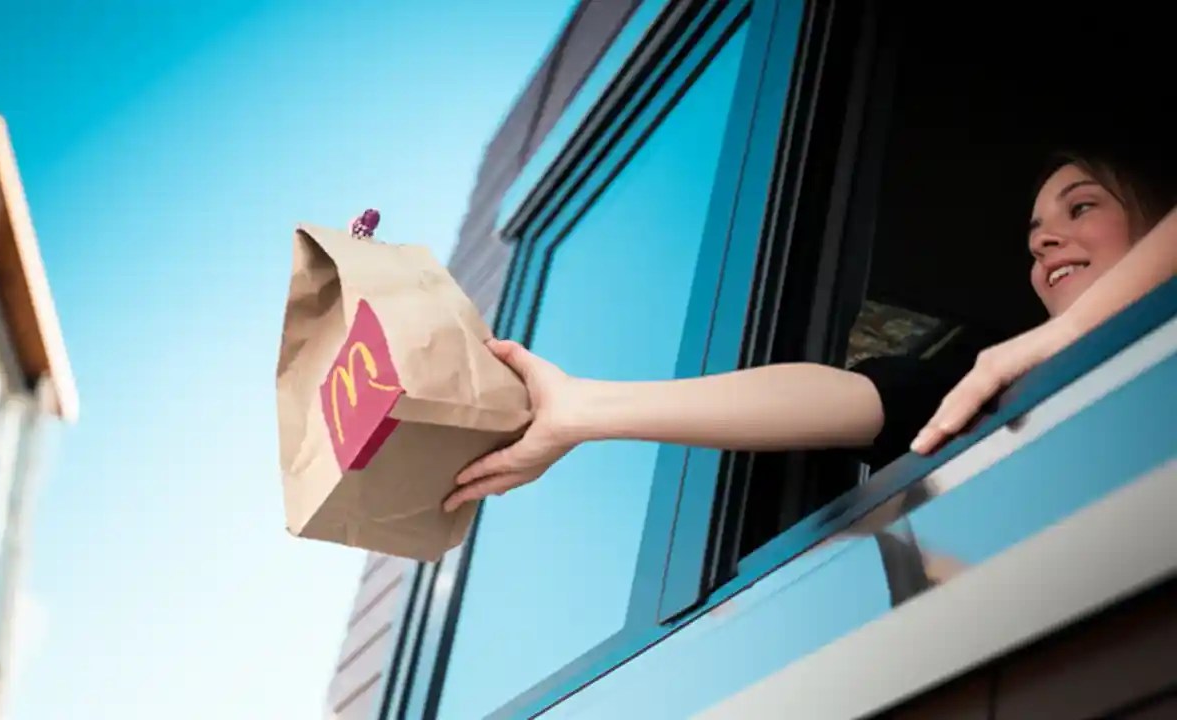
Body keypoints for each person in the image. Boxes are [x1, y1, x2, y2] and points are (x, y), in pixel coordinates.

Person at [443, 150, 1177, 513]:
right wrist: (584, 411)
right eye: (1034, 234)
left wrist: (1073, 331)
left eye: (1081, 208)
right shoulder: (985, 388)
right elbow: (839, 400)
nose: (1045, 241)